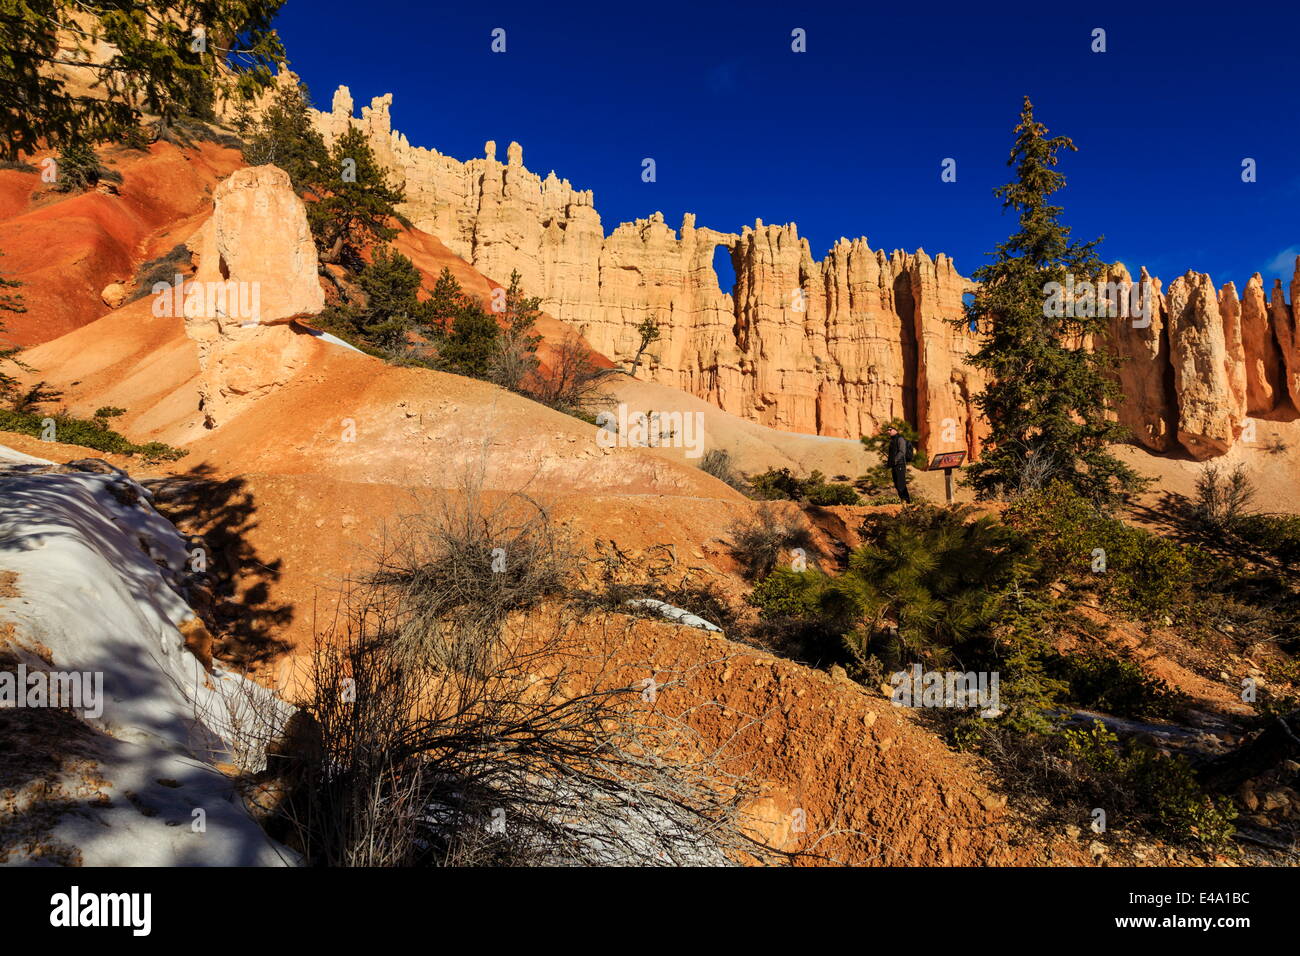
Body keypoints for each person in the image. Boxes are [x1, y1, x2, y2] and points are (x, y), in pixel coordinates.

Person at [886, 425, 912, 503]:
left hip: (900, 465)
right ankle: (903, 501)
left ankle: (907, 502)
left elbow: (902, 452)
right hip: (895, 465)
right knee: (897, 484)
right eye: (887, 430)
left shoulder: (900, 439)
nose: (888, 431)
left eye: (890, 430)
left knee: (901, 484)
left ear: (895, 430)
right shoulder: (893, 440)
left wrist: (895, 460)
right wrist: (890, 464)